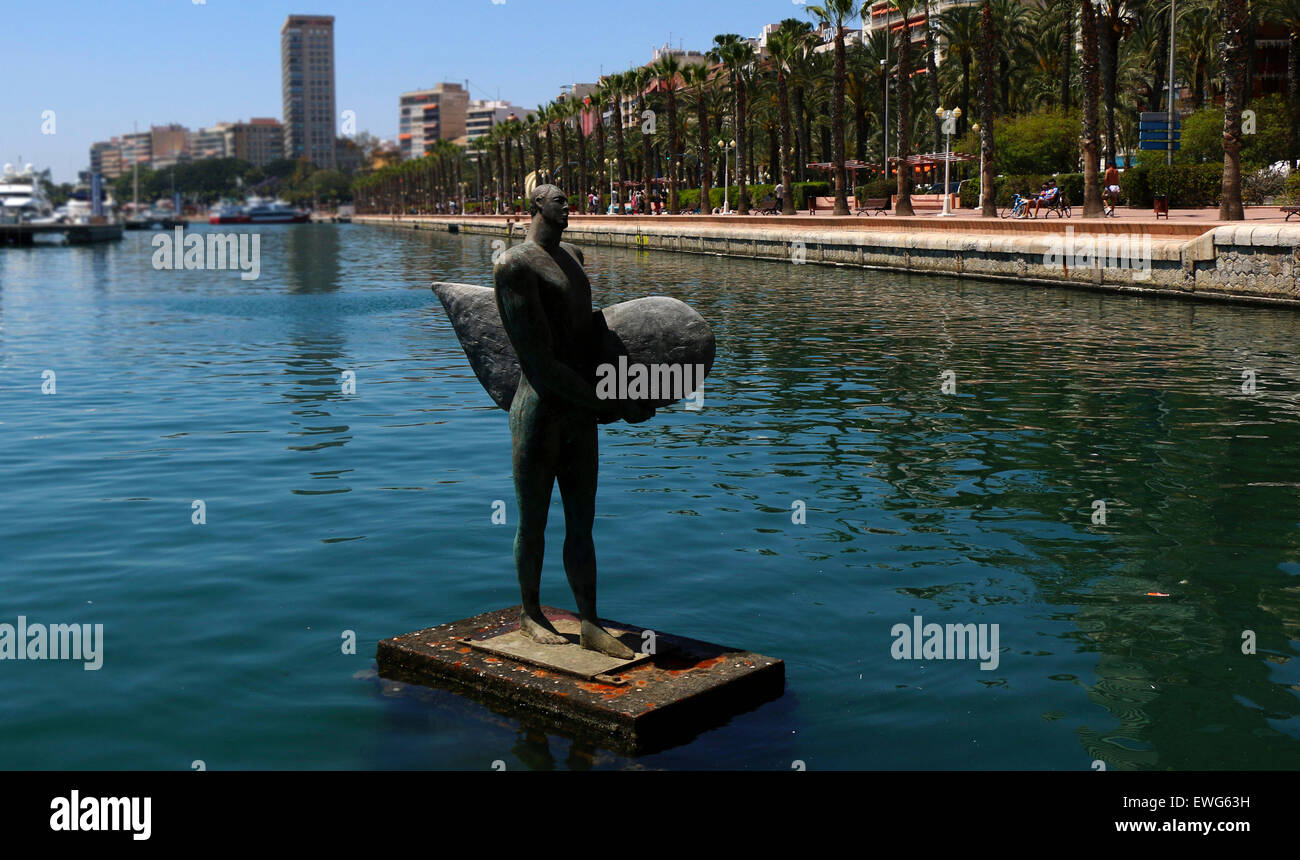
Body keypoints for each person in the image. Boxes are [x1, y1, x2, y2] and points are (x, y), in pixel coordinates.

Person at [493, 185, 653, 658]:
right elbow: (539, 363)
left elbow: (593, 332)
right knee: (534, 522)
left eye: (567, 198)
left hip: (580, 413)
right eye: (558, 199)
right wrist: (613, 403)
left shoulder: (575, 257)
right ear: (536, 207)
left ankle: (589, 621)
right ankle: (530, 611)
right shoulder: (513, 266)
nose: (568, 205)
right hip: (539, 411)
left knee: (582, 523)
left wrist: (629, 388)